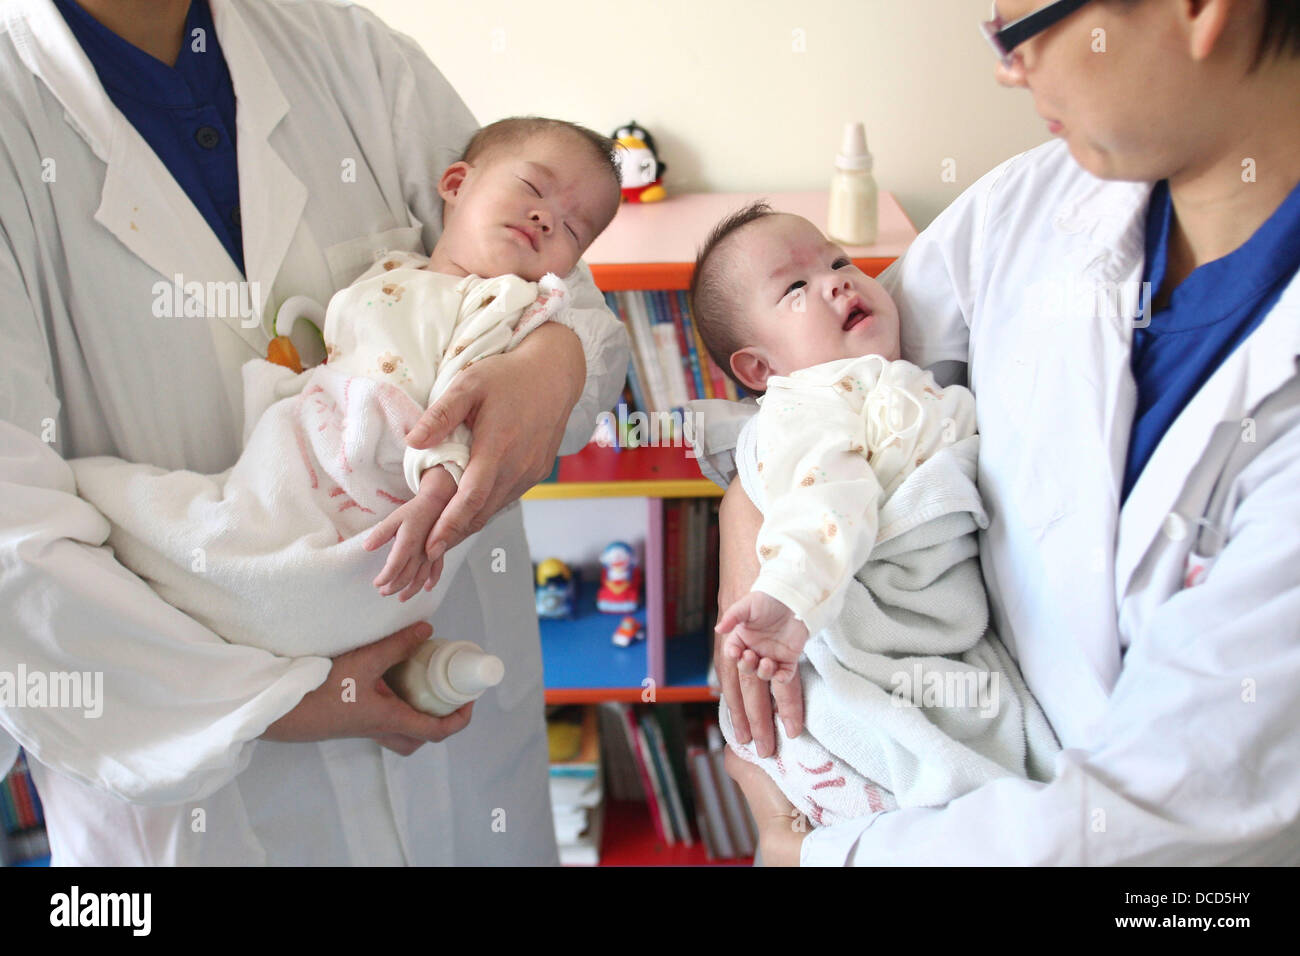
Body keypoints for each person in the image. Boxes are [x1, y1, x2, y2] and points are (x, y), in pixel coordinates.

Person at [0, 0, 629, 865]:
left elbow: (566, 290)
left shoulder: (350, 52)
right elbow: (11, 546)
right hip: (219, 794)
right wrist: (286, 701)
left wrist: (548, 364)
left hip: (462, 753)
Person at [704, 0, 1300, 864]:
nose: (1007, 69)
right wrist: (750, 518)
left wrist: (812, 854)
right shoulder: (1041, 201)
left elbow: (1162, 819)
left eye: (1020, 30)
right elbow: (825, 385)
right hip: (921, 717)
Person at [68, 118, 624, 661]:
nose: (546, 218)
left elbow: (460, 409)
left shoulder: (501, 305)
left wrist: (435, 496)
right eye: (533, 189)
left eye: (574, 229)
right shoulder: (398, 270)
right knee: (213, 528)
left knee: (196, 534)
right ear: (456, 184)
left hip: (370, 475)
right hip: (297, 452)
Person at [688, 204, 1056, 826]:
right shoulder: (813, 405)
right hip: (855, 625)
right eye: (796, 287)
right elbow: (826, 501)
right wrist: (792, 597)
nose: (836, 281)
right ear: (759, 368)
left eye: (838, 261)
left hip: (938, 628)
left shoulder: (886, 380)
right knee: (942, 762)